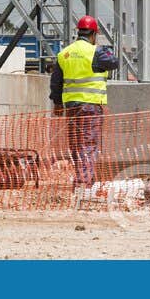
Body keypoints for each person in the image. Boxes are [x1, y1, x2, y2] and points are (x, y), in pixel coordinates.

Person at [50, 15, 118, 187]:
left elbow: (56, 82)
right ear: (93, 34)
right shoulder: (97, 52)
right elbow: (114, 62)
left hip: (71, 108)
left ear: (78, 32)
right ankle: (84, 182)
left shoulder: (63, 54)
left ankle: (84, 178)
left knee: (76, 144)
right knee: (88, 145)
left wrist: (57, 104)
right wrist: (104, 49)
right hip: (90, 107)